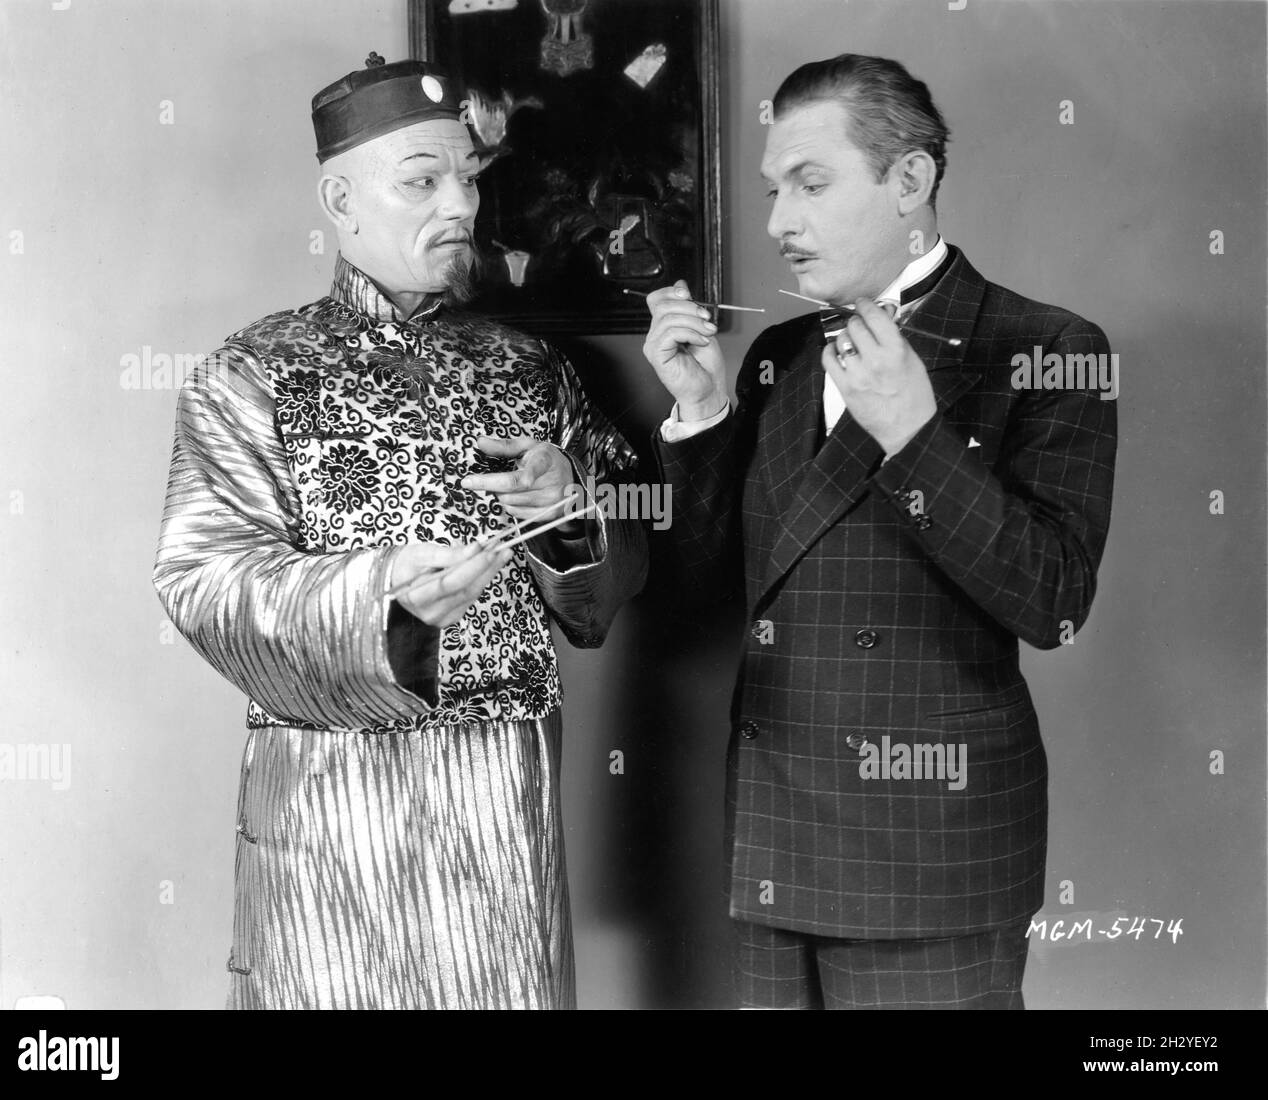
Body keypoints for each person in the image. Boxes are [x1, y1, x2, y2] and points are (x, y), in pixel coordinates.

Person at [153, 53, 646, 1010]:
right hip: (333, 800)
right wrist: (387, 601)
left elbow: (613, 588)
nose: (459, 204)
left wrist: (566, 516)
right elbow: (204, 581)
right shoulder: (252, 372)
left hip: (501, 791)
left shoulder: (530, 369)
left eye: (466, 176)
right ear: (341, 200)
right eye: (422, 180)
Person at [642, 54, 1116, 1009]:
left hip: (929, 851)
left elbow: (1054, 601)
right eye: (775, 188)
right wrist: (699, 414)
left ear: (910, 180)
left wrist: (915, 436)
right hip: (773, 838)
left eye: (811, 184)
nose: (778, 221)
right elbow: (697, 593)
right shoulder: (777, 355)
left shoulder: (1049, 349)